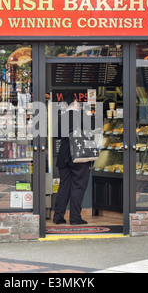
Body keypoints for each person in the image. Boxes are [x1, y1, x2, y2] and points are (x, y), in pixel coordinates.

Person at [53, 94, 93, 225]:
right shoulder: (82, 115)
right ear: (75, 102)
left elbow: (56, 136)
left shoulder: (61, 117)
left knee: (64, 186)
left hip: (63, 156)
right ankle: (75, 218)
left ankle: (58, 216)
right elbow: (91, 133)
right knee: (78, 186)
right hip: (80, 155)